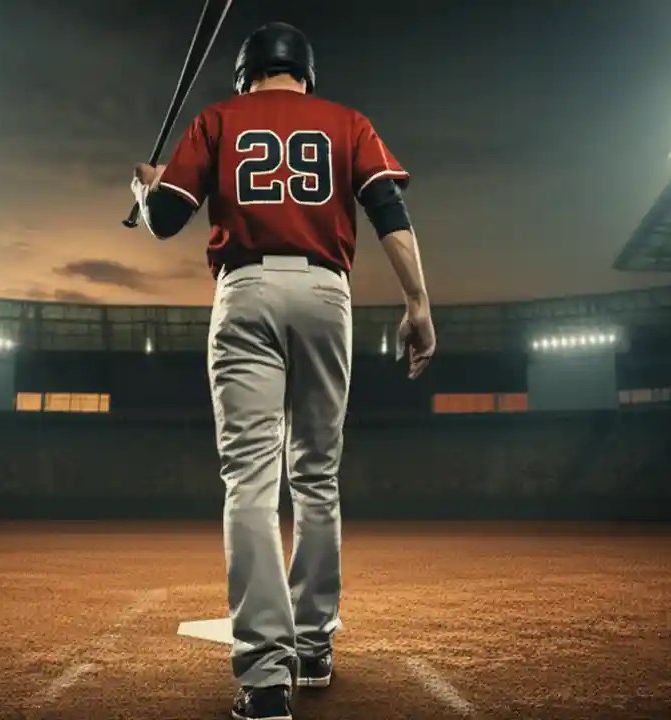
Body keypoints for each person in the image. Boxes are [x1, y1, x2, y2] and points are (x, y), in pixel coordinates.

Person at [129, 21, 436, 720]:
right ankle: (313, 644)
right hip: (329, 293)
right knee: (317, 476)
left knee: (250, 481)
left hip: (245, 291)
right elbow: (388, 208)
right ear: (305, 72)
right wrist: (418, 300)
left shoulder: (217, 119)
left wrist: (147, 191)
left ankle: (267, 677)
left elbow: (169, 221)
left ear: (245, 74)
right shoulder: (346, 122)